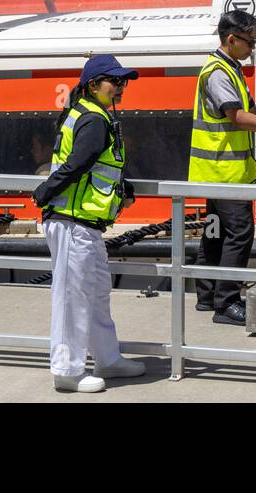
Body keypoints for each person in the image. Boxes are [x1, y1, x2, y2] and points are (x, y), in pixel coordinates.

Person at [30, 55, 147, 393]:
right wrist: (45, 192)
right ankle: (67, 372)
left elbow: (97, 165)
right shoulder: (95, 119)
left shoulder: (88, 113)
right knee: (73, 297)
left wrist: (123, 187)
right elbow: (78, 164)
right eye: (115, 81)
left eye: (123, 82)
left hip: (84, 223)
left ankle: (107, 359)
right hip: (72, 222)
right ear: (93, 85)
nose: (121, 87)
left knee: (94, 293)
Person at [190, 9, 256, 326]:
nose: (252, 48)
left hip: (215, 172)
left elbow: (250, 108)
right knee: (239, 233)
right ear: (231, 39)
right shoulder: (218, 73)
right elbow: (237, 117)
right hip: (224, 173)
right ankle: (226, 303)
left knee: (215, 232)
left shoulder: (229, 68)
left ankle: (207, 295)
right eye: (250, 42)